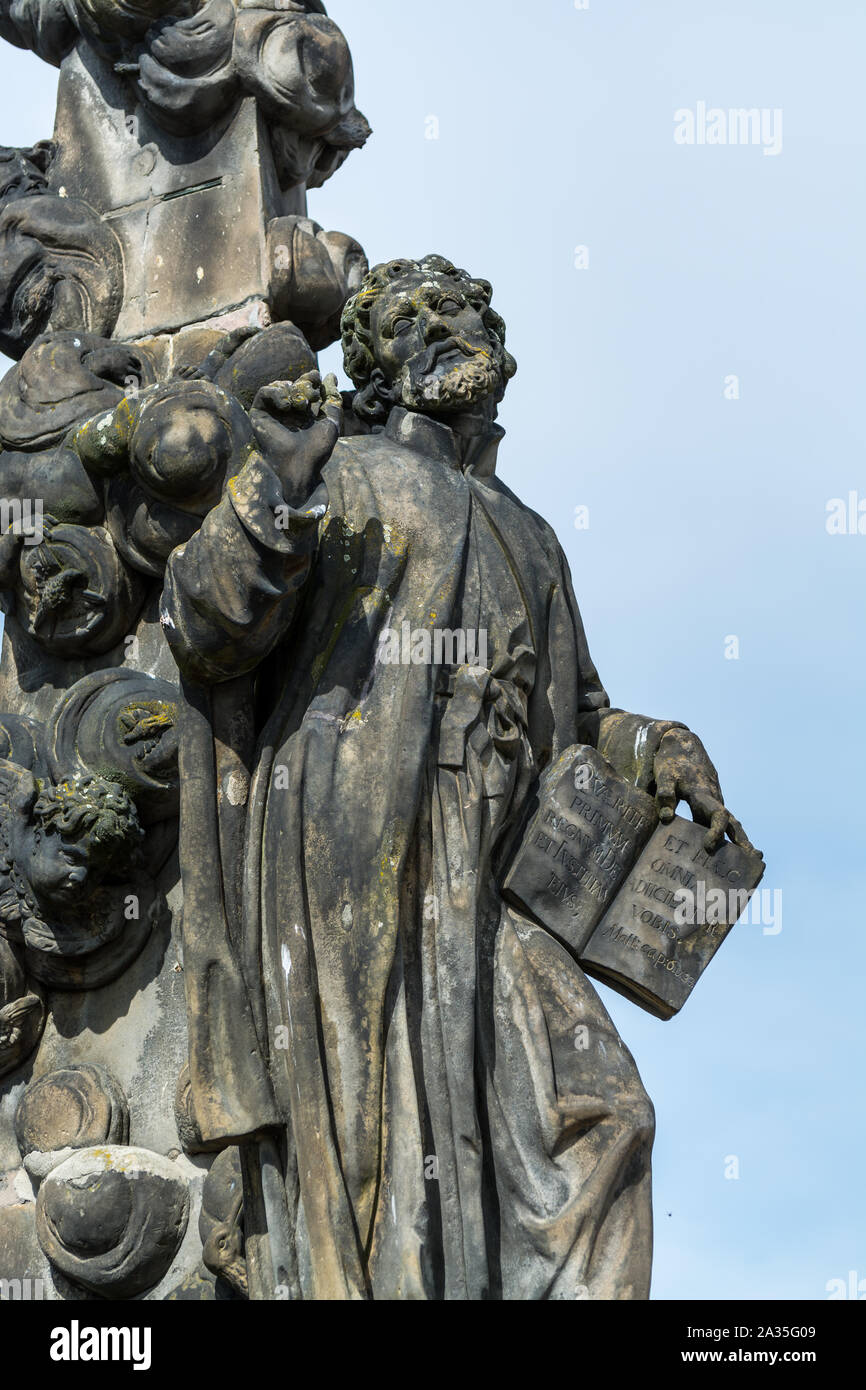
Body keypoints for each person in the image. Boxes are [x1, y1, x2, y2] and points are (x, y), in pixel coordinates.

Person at [161, 254, 755, 1301]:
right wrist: (274, 496)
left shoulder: (529, 532)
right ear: (377, 360)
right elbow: (205, 625)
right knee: (374, 1143)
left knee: (605, 1109)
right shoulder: (339, 468)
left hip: (499, 867)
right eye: (413, 319)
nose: (445, 329)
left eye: (461, 310)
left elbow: (576, 715)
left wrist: (650, 744)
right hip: (357, 836)